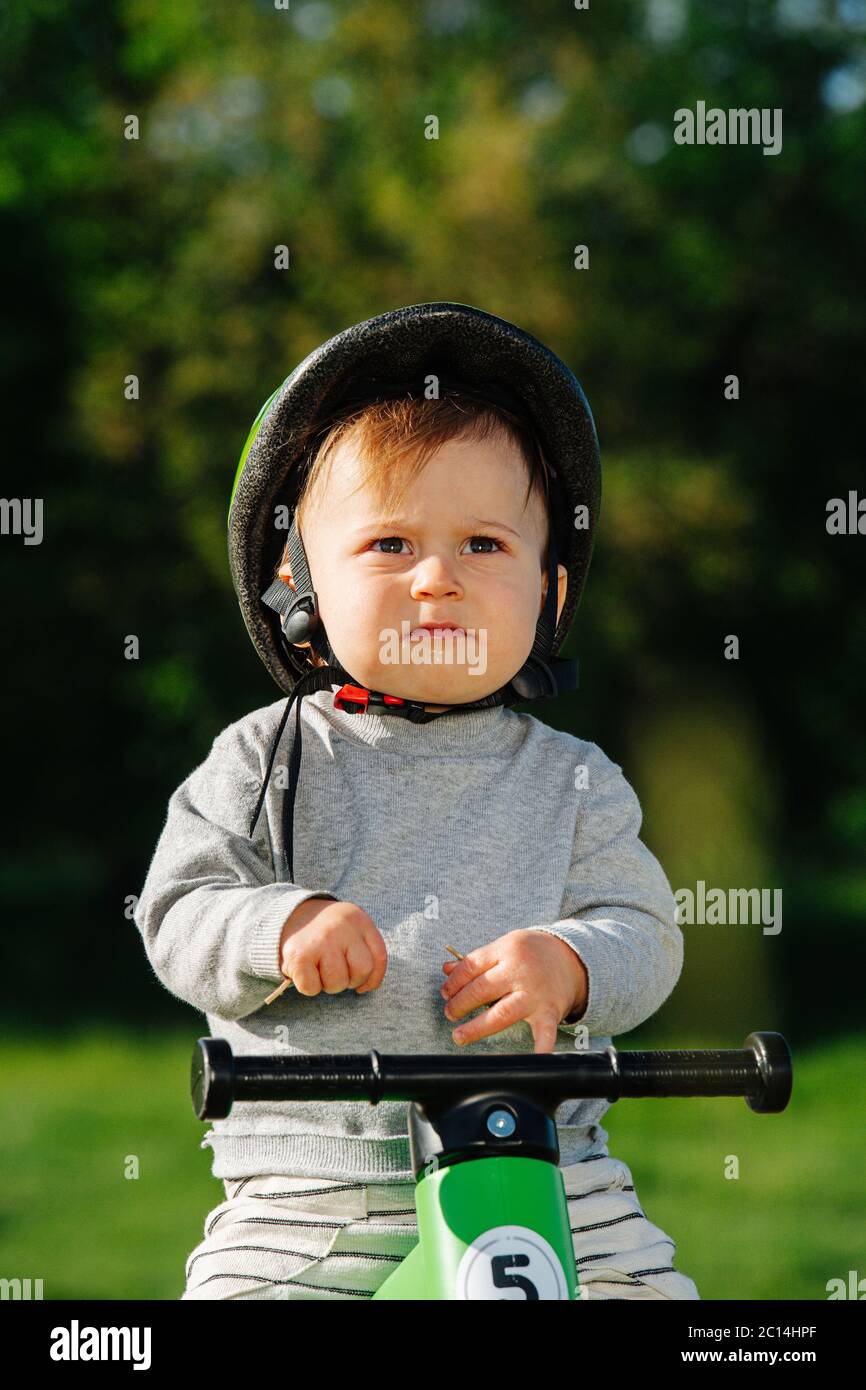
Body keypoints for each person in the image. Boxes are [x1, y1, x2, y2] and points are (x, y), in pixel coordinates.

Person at [133, 302, 700, 1300]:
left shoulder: (575, 777)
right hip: (316, 1195)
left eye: (483, 545)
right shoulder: (263, 758)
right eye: (390, 544)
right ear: (296, 586)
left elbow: (645, 930)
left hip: (553, 1178)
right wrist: (277, 925)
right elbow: (177, 911)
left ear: (551, 593)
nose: (436, 580)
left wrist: (570, 962)